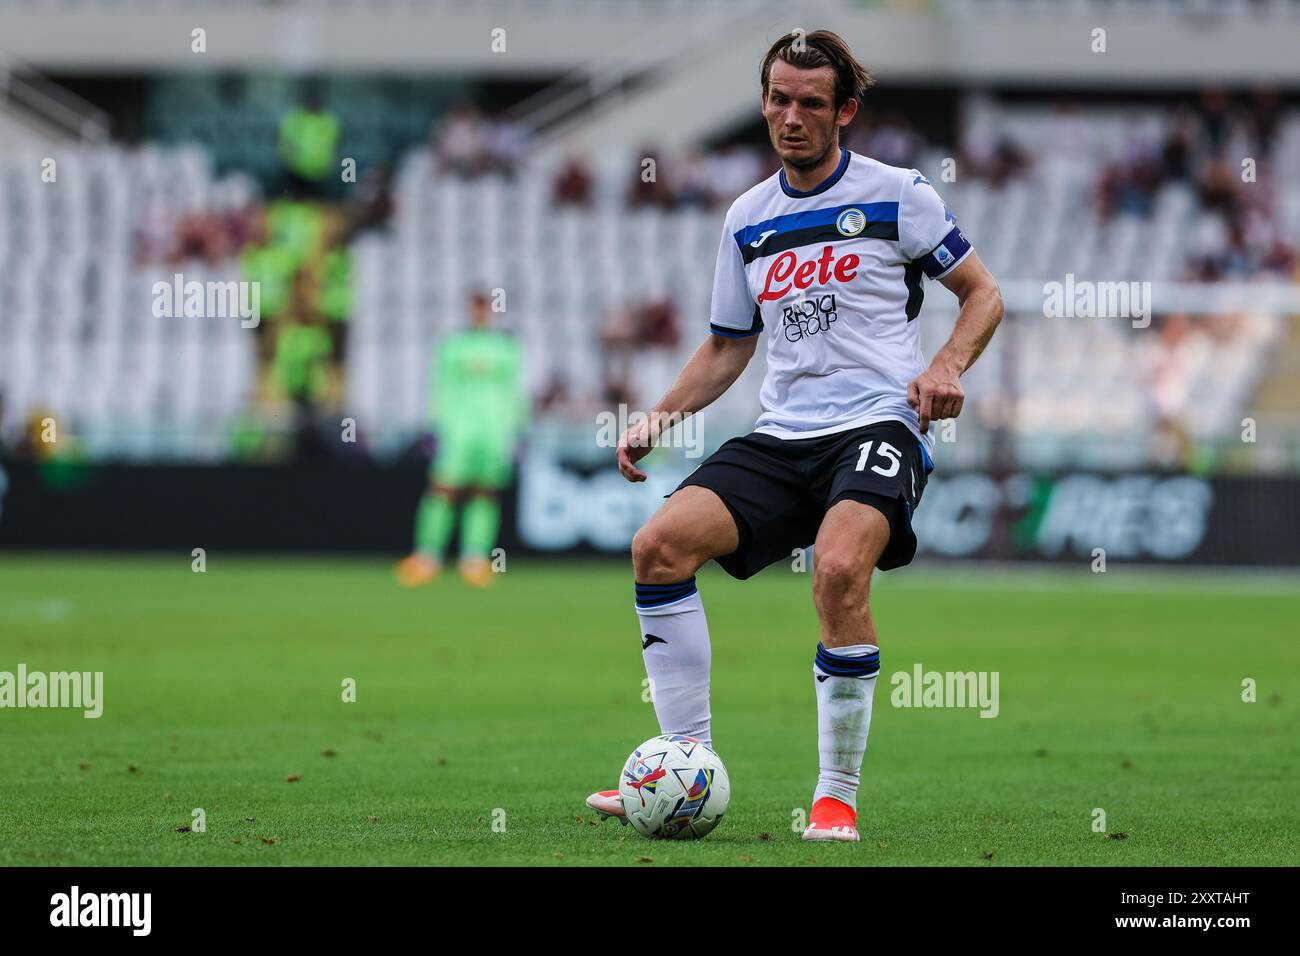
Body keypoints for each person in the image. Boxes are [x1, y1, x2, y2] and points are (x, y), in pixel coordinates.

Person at [585, 30, 1003, 841]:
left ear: (844, 111)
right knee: (657, 547)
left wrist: (948, 366)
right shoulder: (747, 217)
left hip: (879, 421)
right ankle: (686, 769)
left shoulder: (898, 193)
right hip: (783, 436)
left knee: (840, 570)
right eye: (778, 99)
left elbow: (982, 293)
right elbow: (728, 345)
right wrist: (656, 419)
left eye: (811, 103)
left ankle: (835, 798)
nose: (791, 116)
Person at [396, 292, 528, 588]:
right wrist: (435, 425)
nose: (481, 313)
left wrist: (518, 429)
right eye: (477, 307)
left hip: (494, 431)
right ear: (470, 310)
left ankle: (475, 559)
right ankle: (427, 556)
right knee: (443, 488)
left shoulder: (506, 347)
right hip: (457, 430)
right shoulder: (453, 345)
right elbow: (439, 387)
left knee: (485, 492)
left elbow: (515, 391)